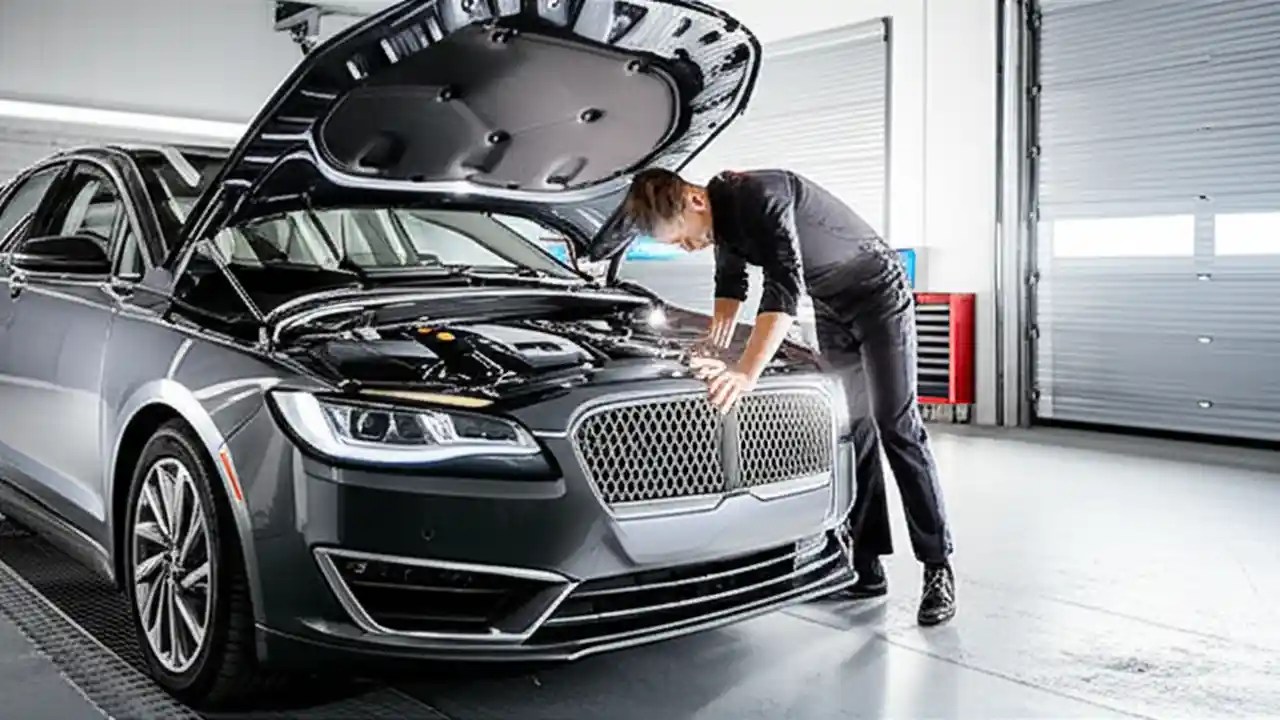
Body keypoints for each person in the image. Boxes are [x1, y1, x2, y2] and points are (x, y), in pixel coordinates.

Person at [620, 167, 956, 626]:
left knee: (896, 425)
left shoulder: (760, 194)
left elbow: (783, 284)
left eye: (681, 238)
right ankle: (867, 565)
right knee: (854, 429)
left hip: (879, 293)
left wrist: (745, 374)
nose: (686, 248)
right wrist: (713, 346)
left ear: (695, 201)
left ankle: (938, 567)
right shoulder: (724, 228)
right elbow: (731, 287)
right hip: (834, 306)